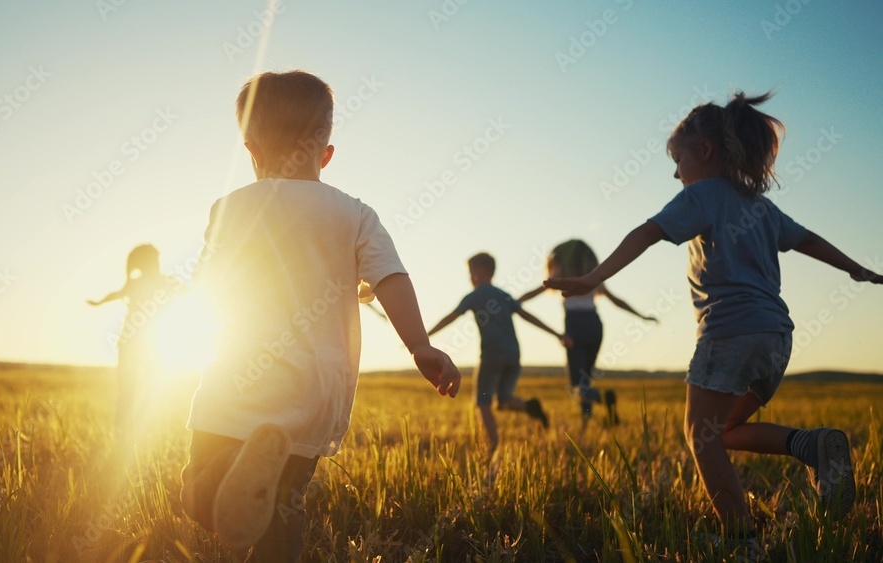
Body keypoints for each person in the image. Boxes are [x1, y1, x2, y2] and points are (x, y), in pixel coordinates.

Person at [545, 91, 881, 553]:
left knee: (699, 437)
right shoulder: (761, 206)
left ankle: (741, 540)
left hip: (729, 332)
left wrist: (593, 276)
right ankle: (811, 445)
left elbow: (646, 233)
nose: (675, 171)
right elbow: (809, 239)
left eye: (677, 158)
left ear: (704, 151)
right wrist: (854, 268)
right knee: (724, 431)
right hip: (776, 337)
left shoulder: (702, 195)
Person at [179, 70, 461, 562]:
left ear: (251, 151)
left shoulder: (230, 208)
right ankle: (264, 504)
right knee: (284, 509)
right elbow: (392, 276)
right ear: (326, 152)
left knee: (200, 494)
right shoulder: (353, 213)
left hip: (236, 381)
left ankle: (229, 465)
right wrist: (420, 345)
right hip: (308, 395)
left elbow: (209, 286)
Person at [428, 252, 568, 454]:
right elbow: (527, 315)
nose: (469, 277)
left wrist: (424, 337)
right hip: (513, 355)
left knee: (483, 403)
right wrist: (556, 334)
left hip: (492, 356)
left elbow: (451, 317)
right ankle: (531, 407)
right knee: (503, 400)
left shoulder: (473, 296)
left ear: (481, 272)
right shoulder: (503, 295)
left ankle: (494, 448)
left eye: (471, 272)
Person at [518, 239, 658, 427]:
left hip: (575, 326)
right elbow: (617, 300)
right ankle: (587, 421)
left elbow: (534, 292)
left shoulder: (561, 278)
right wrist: (641, 316)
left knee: (577, 385)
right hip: (595, 325)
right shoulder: (592, 278)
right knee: (586, 379)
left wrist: (513, 302)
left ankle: (601, 399)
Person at [87, 244, 181, 434]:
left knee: (149, 388)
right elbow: (116, 294)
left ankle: (138, 432)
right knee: (130, 389)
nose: (157, 263)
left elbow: (189, 288)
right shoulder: (140, 283)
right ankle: (123, 432)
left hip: (149, 345)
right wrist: (98, 302)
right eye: (153, 259)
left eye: (157, 259)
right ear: (144, 263)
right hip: (133, 344)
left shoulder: (164, 282)